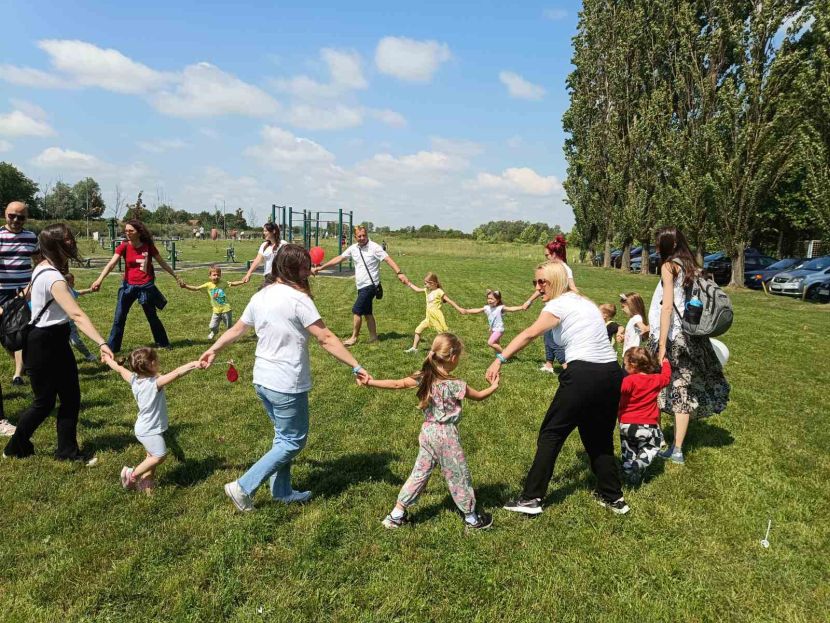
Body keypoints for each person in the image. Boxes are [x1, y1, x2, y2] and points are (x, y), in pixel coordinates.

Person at [198, 244, 372, 511]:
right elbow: (325, 338)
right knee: (292, 440)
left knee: (283, 438)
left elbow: (237, 329)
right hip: (286, 383)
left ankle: (281, 491)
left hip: (262, 381)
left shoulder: (262, 295)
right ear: (293, 269)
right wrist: (355, 365)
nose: (310, 270)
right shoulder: (298, 299)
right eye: (305, 266)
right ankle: (243, 486)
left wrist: (212, 349)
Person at [486, 261, 629, 516]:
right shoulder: (584, 302)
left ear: (557, 281)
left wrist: (500, 359)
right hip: (611, 375)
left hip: (583, 375)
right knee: (599, 438)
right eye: (535, 282)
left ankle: (531, 499)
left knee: (551, 434)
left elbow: (530, 334)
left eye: (543, 282)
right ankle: (613, 497)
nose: (538, 287)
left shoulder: (558, 304)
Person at [358, 333, 497, 530]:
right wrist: (494, 386)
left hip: (428, 432)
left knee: (420, 472)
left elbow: (397, 384)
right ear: (453, 358)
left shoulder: (424, 377)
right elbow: (480, 396)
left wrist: (370, 381)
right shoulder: (457, 384)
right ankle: (472, 518)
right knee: (458, 474)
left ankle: (396, 514)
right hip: (447, 436)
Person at [3, 224, 114, 460]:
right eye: (67, 240)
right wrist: (102, 343)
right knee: (44, 403)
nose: (72, 242)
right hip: (45, 343)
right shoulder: (53, 277)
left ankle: (66, 451)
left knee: (68, 398)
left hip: (52, 340)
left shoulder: (43, 267)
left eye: (71, 238)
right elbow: (77, 315)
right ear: (54, 245)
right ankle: (16, 446)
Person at [648, 226, 730, 465]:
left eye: (658, 243)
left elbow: (666, 307)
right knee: (683, 389)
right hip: (693, 335)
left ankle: (659, 441)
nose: (656, 248)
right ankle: (677, 449)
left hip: (674, 337)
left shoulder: (668, 266)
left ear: (668, 245)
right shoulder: (692, 265)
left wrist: (661, 344)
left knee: (663, 385)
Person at [102, 347, 203, 492]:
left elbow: (119, 369)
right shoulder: (155, 384)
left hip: (144, 427)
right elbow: (177, 373)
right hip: (150, 430)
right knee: (159, 456)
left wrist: (107, 360)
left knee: (150, 456)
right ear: (152, 364)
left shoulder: (134, 379)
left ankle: (146, 484)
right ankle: (132, 474)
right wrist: (194, 363)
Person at [91, 219, 183, 353]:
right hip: (128, 286)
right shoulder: (123, 246)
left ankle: (163, 343)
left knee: (152, 317)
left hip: (146, 286)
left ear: (139, 232)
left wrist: (176, 277)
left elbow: (162, 263)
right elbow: (111, 264)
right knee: (119, 318)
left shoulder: (148, 246)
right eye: (126, 230)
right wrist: (99, 280)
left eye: (131, 231)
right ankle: (112, 348)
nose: (127, 233)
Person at [311, 226, 408, 346]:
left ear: (367, 235)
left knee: (357, 311)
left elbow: (388, 259)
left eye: (364, 235)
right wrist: (321, 268)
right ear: (355, 237)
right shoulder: (353, 248)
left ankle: (353, 338)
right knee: (367, 313)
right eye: (359, 236)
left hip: (370, 286)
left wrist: (399, 273)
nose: (362, 238)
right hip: (361, 286)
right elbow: (339, 258)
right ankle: (373, 337)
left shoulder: (375, 248)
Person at [618, 348, 671, 484]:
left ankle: (629, 474)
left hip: (626, 424)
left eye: (625, 364)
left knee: (628, 451)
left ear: (632, 365)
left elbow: (617, 390)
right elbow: (666, 378)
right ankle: (640, 463)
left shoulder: (628, 381)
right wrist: (665, 363)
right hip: (647, 425)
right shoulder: (656, 380)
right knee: (653, 445)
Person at [525, 235, 577, 373]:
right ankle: (549, 364)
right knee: (548, 336)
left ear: (555, 254)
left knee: (555, 341)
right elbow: (542, 286)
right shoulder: (553, 268)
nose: (546, 258)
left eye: (547, 255)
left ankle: (568, 369)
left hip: (558, 309)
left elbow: (573, 288)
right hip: (551, 307)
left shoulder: (564, 269)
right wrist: (530, 300)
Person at [0, 201, 38, 392]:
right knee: (6, 335)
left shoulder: (31, 237)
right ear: (5, 214)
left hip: (25, 292)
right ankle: (21, 364)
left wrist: (32, 287)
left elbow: (39, 262)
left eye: (21, 217)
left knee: (20, 332)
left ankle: (18, 373)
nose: (16, 220)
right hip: (2, 292)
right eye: (12, 215)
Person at [403, 272, 463, 353]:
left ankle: (450, 348)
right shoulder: (427, 290)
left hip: (436, 317)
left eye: (426, 283)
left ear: (432, 283)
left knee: (441, 335)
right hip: (428, 318)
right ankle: (414, 348)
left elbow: (449, 301)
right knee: (418, 330)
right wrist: (408, 283)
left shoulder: (439, 291)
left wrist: (459, 308)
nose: (424, 285)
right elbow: (417, 289)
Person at [457, 289, 527, 353]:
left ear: (498, 300)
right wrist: (466, 311)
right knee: (496, 343)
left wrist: (521, 307)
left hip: (499, 329)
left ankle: (505, 354)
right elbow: (477, 310)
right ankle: (499, 355)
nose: (489, 300)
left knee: (490, 342)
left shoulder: (500, 308)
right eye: (488, 298)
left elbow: (511, 309)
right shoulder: (487, 308)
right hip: (493, 329)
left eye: (492, 299)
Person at [181, 264, 233, 339]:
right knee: (212, 326)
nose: (216, 277)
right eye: (214, 275)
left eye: (218, 275)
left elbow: (233, 283)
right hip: (216, 311)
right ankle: (214, 332)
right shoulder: (208, 285)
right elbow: (196, 288)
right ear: (210, 276)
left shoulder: (223, 283)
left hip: (226, 310)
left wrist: (243, 281)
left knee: (229, 327)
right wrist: (185, 286)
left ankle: (231, 337)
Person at [65, 273, 97, 362]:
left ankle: (88, 355)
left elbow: (78, 292)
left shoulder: (71, 291)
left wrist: (90, 290)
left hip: (70, 323)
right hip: (59, 324)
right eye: (72, 282)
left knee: (75, 342)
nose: (74, 284)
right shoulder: (60, 293)